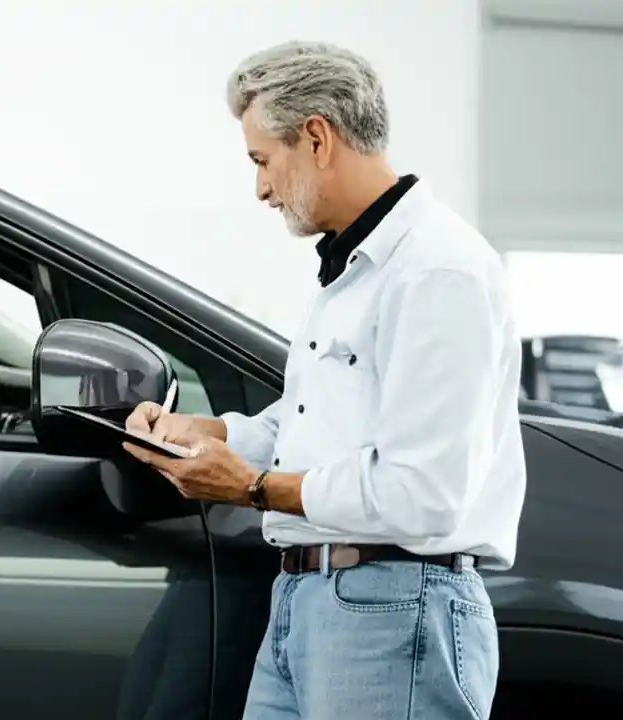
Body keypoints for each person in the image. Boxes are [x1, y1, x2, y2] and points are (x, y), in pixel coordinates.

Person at [122, 41, 526, 719]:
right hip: (310, 603)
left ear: (315, 137)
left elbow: (422, 491)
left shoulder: (436, 272)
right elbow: (305, 430)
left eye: (261, 161)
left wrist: (248, 489)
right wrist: (204, 433)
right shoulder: (355, 270)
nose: (260, 189)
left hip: (394, 610)